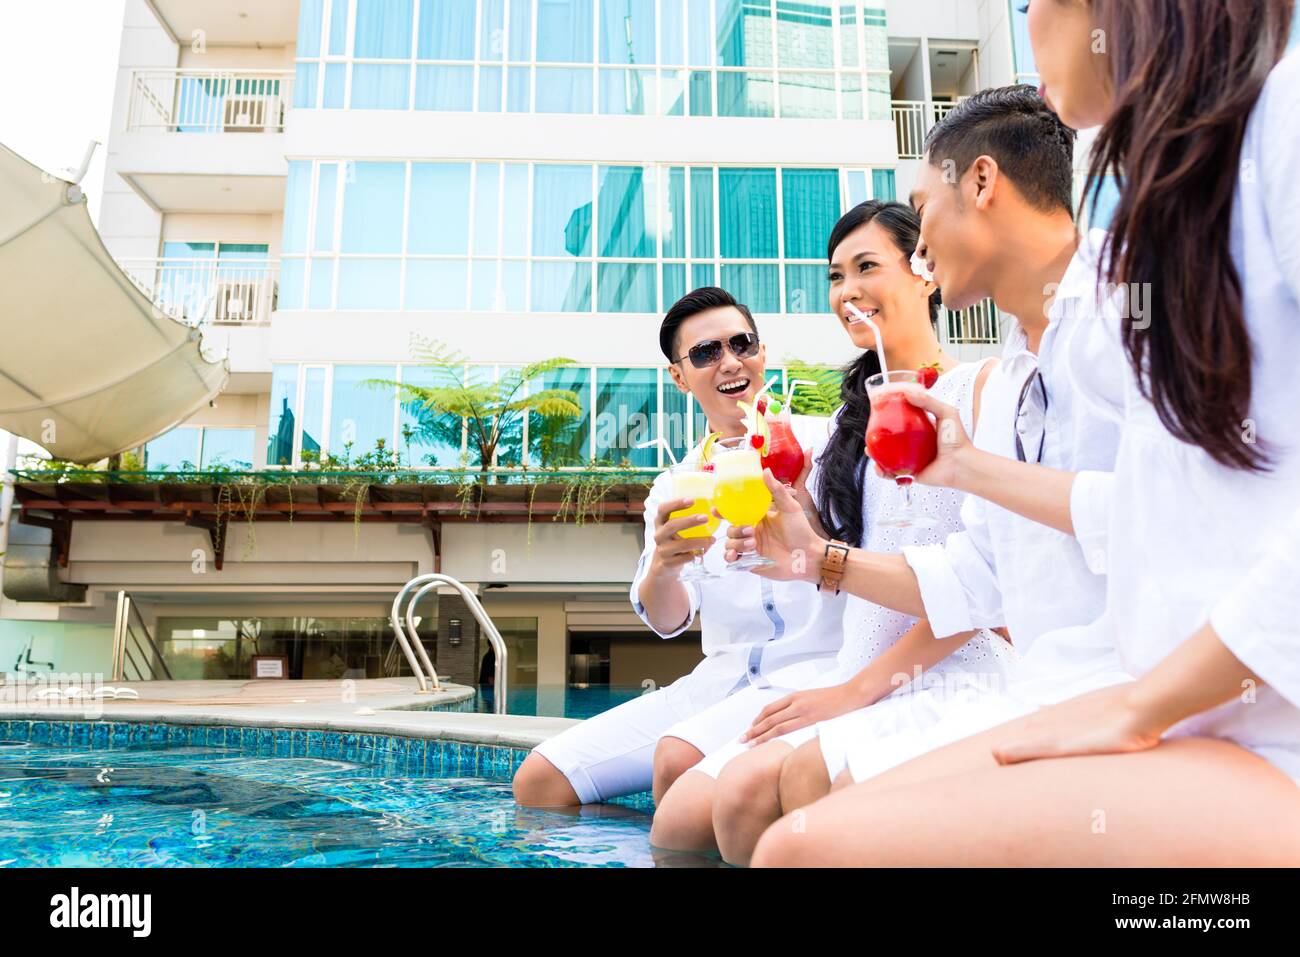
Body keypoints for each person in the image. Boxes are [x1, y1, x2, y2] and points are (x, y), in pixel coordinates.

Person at [752, 0, 1300, 867]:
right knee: (798, 818)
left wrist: (1142, 703)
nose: (1029, 16)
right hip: (1165, 701)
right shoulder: (1157, 242)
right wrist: (954, 474)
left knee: (805, 845)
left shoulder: (1267, 144)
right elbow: (1013, 562)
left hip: (1237, 718)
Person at [716, 85, 1133, 865]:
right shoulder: (1012, 377)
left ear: (981, 182)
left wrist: (974, 469)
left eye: (921, 209)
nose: (921, 247)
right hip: (1042, 692)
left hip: (1126, 694)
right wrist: (816, 555)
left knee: (804, 836)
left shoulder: (1129, 315)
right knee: (785, 820)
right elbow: (975, 575)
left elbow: (1156, 514)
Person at [649, 201, 1012, 855]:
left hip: (948, 666)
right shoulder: (855, 421)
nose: (846, 290)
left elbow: (980, 584)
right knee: (680, 823)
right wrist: (792, 537)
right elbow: (838, 559)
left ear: (924, 272)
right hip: (858, 664)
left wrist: (854, 691)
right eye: (836, 276)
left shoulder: (977, 391)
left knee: (746, 795)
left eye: (866, 267)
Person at [511, 287, 842, 807]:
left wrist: (812, 525)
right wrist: (665, 566)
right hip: (717, 682)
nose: (729, 361)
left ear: (762, 353)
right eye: (706, 353)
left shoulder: (827, 447)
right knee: (540, 781)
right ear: (679, 377)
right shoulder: (678, 484)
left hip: (819, 669)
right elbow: (668, 621)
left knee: (678, 762)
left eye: (741, 344)